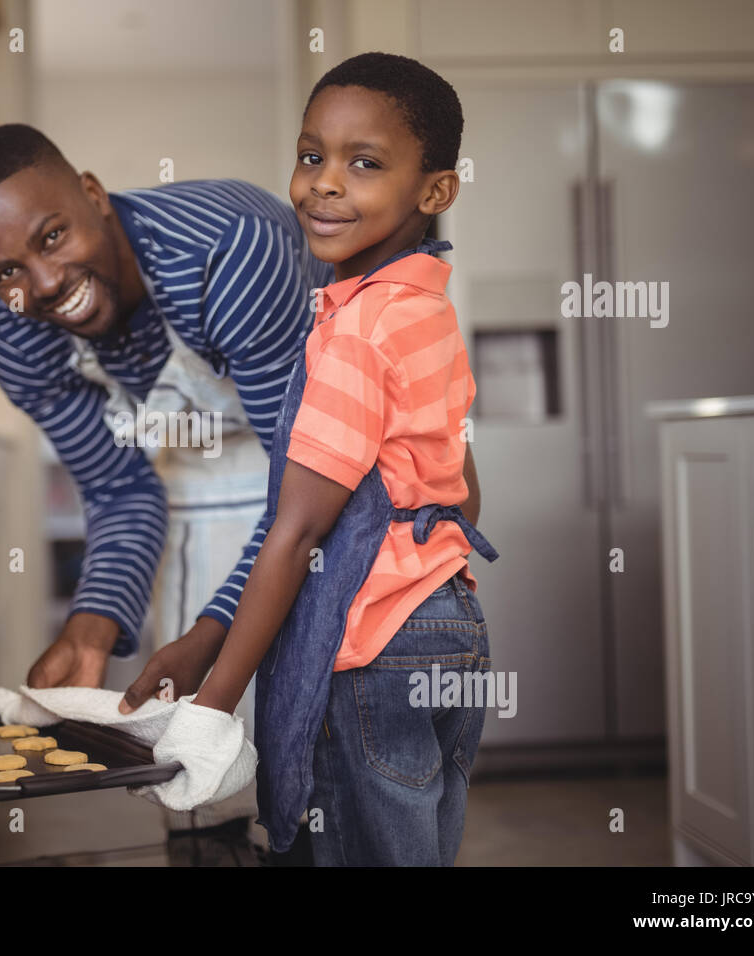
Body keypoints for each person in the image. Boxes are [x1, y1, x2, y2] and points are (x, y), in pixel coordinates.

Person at [129, 52, 500, 866]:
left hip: (372, 643)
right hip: (452, 624)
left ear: (434, 192)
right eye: (311, 156)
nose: (324, 184)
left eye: (364, 164)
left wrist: (209, 709)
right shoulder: (427, 311)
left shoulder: (354, 333)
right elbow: (464, 498)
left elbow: (295, 537)